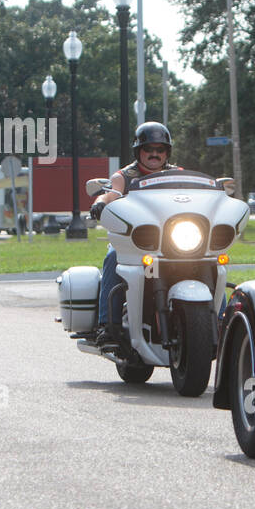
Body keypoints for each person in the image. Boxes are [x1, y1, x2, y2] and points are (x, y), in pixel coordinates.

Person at [88, 122, 179, 347]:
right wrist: (100, 202)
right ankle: (107, 325)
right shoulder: (125, 176)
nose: (155, 154)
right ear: (139, 151)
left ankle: (219, 321)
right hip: (134, 242)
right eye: (149, 149)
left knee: (211, 261)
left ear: (167, 152)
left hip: (172, 242)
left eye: (160, 149)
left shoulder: (177, 174)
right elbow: (111, 194)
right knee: (112, 258)